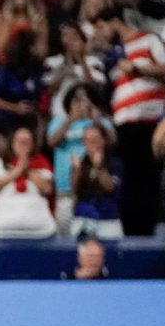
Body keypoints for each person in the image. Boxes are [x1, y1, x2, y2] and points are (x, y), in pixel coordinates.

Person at [91, 6, 165, 236]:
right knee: (128, 182)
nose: (102, 35)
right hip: (123, 124)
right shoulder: (112, 56)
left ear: (115, 21)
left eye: (103, 28)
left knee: (148, 179)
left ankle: (147, 232)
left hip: (148, 120)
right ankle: (130, 233)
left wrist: (136, 67)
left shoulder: (148, 40)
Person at [47, 84, 115, 236]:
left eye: (86, 99)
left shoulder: (100, 122)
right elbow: (52, 142)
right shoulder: (59, 122)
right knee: (65, 236)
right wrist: (71, 119)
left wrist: (95, 119)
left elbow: (112, 141)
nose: (82, 103)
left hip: (94, 189)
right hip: (65, 189)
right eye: (77, 99)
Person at [0, 126, 57, 238]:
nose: (23, 144)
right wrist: (16, 171)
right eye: (19, 141)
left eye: (27, 141)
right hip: (3, 230)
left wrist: (27, 170)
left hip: (39, 231)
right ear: (12, 143)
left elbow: (47, 189)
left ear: (33, 144)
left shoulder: (42, 163)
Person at [70, 124, 123, 239]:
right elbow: (74, 188)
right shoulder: (81, 163)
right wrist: (77, 171)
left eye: (95, 139)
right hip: (83, 218)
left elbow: (110, 187)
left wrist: (99, 167)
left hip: (107, 219)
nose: (91, 143)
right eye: (87, 140)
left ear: (103, 140)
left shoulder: (114, 163)